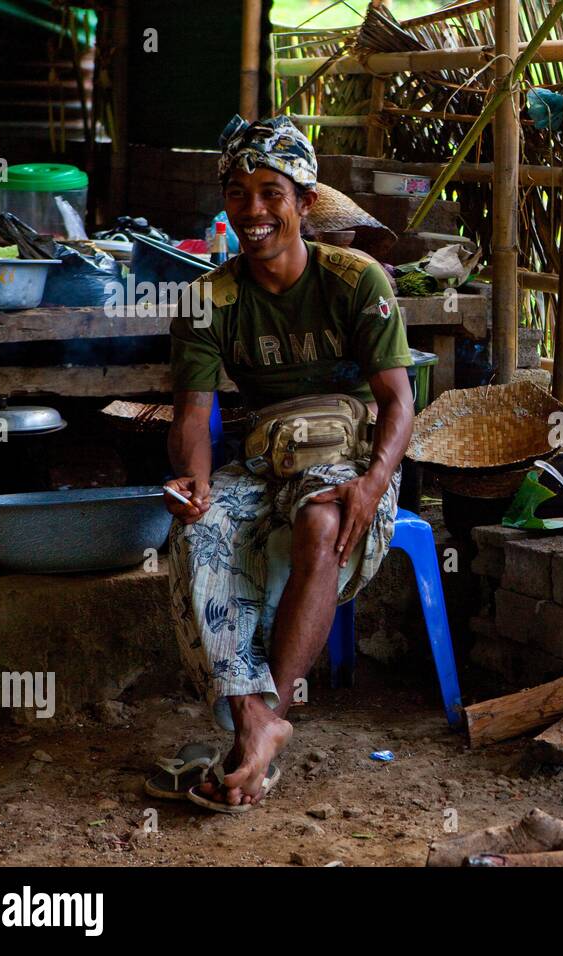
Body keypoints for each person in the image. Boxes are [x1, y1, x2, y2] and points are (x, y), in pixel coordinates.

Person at [160, 114, 413, 811]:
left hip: (351, 457)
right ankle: (257, 721)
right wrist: (197, 483)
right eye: (238, 193)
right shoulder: (208, 300)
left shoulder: (356, 281)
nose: (254, 211)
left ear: (305, 202)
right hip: (269, 459)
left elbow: (398, 402)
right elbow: (192, 417)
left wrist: (374, 482)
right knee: (199, 530)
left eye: (271, 192)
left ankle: (268, 718)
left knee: (323, 519)